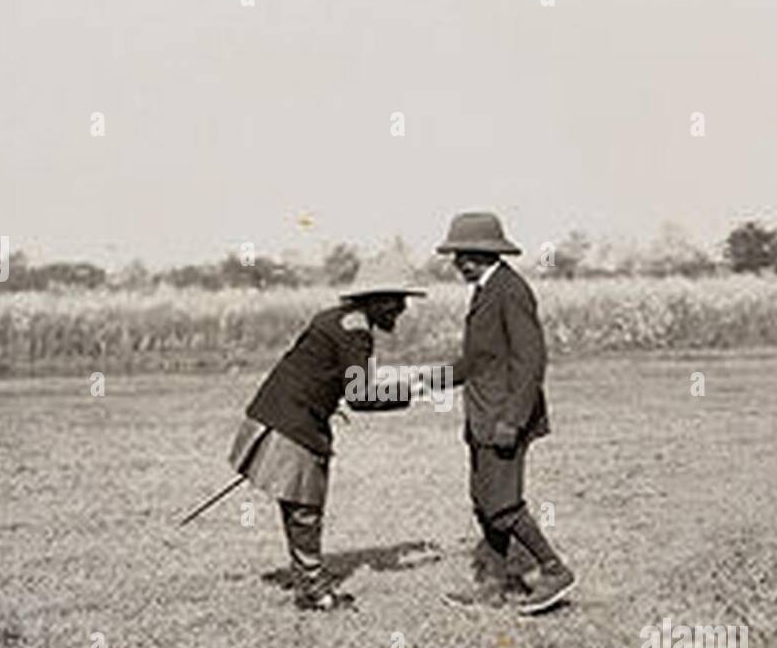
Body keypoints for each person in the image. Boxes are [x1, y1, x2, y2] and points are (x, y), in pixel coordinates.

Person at [229, 271, 424, 611]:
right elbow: (361, 395)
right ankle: (314, 591)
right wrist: (409, 391)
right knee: (305, 507)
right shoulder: (356, 330)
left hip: (280, 412)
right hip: (293, 420)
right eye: (396, 301)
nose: (402, 308)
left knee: (299, 505)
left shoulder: (335, 318)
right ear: (375, 300)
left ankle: (307, 576)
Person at [431, 211, 576, 614]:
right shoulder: (484, 290)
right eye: (457, 254)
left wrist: (512, 419)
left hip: (502, 419)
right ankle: (494, 585)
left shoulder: (510, 290)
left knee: (502, 504)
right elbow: (476, 362)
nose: (458, 262)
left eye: (463, 254)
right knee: (483, 499)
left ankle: (553, 570)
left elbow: (532, 361)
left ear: (483, 253)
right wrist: (425, 381)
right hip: (483, 417)